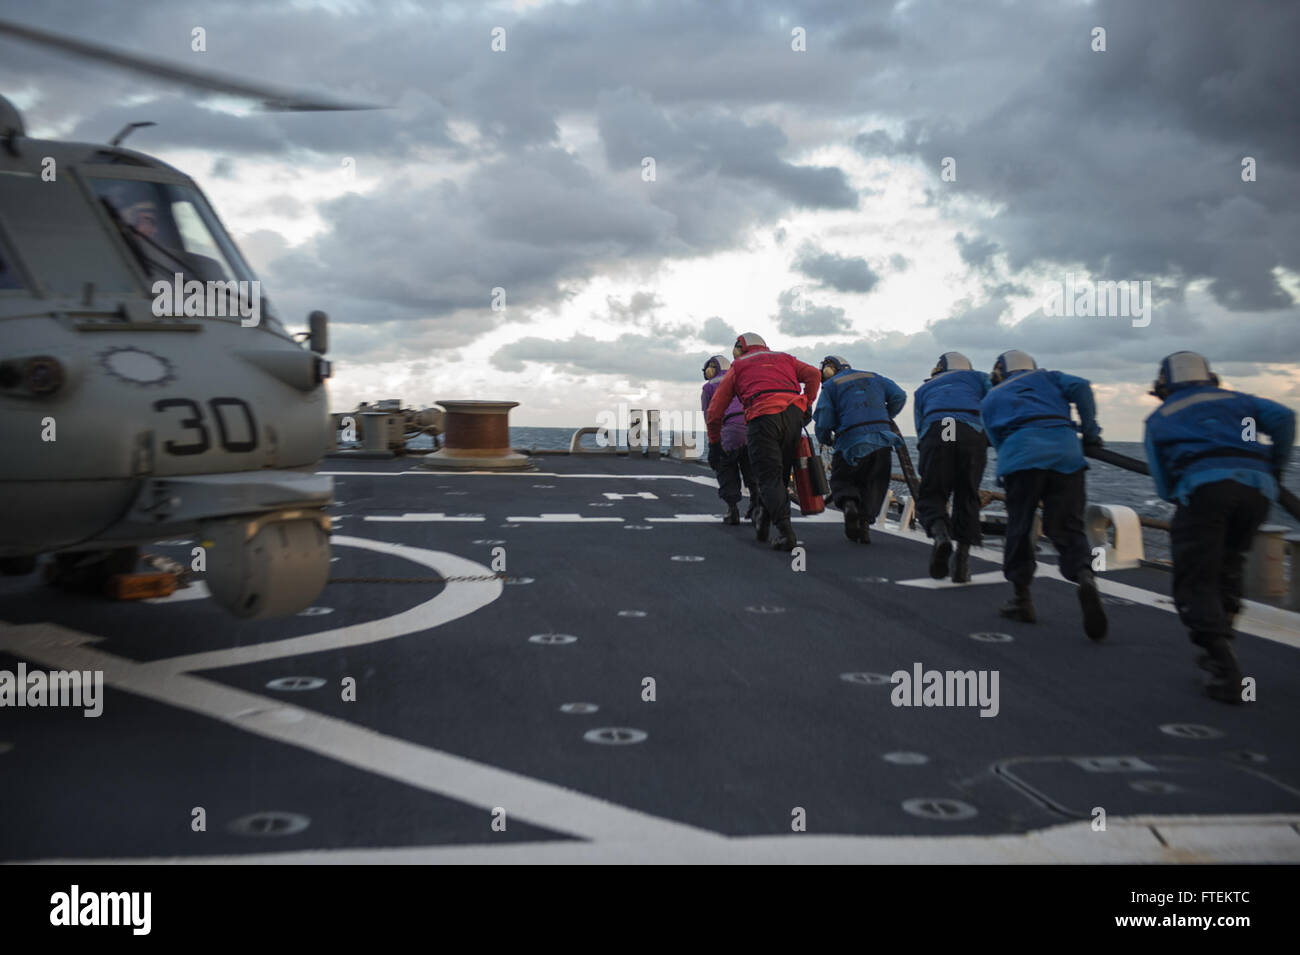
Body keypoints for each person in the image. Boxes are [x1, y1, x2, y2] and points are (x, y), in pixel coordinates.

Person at [1143, 351, 1295, 703]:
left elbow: (1163, 480)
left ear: (1164, 385)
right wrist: (1274, 469)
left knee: (1195, 577)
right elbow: (1285, 418)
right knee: (1230, 565)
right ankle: (1223, 633)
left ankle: (1221, 662)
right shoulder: (1239, 401)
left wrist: (1181, 493)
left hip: (1205, 489)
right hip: (1257, 490)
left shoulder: (1161, 416)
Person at [980, 350, 1107, 640]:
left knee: (1021, 527)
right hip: (1065, 452)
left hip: (1020, 457)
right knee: (1067, 525)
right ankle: (1084, 574)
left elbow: (995, 440)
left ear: (999, 371)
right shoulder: (1050, 378)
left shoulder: (991, 398)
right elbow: (1082, 388)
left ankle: (1021, 598)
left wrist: (1014, 457)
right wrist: (1090, 433)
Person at [705, 333, 821, 552]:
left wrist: (713, 444)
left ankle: (786, 532)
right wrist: (806, 404)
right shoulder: (785, 358)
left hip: (763, 419)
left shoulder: (738, 366)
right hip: (792, 416)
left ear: (741, 347)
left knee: (768, 477)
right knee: (780, 476)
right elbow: (814, 374)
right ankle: (763, 519)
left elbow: (714, 411)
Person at [913, 352, 990, 581]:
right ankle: (962, 563)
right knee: (967, 495)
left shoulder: (924, 389)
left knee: (933, 493)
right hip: (970, 431)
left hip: (938, 430)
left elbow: (920, 427)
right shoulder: (980, 378)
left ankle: (941, 537)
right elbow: (996, 401)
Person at [814, 356, 906, 544]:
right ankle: (864, 528)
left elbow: (823, 419)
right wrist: (885, 417)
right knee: (874, 483)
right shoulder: (874, 377)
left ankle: (849, 505)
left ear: (828, 371)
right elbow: (899, 396)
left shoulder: (831, 386)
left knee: (843, 480)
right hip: (882, 441)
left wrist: (826, 439)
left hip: (850, 442)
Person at [701, 355, 758, 524]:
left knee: (726, 469)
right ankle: (756, 507)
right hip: (752, 429)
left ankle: (732, 510)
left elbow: (709, 417)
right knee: (752, 471)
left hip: (729, 432)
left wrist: (714, 445)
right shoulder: (743, 379)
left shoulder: (708, 387)